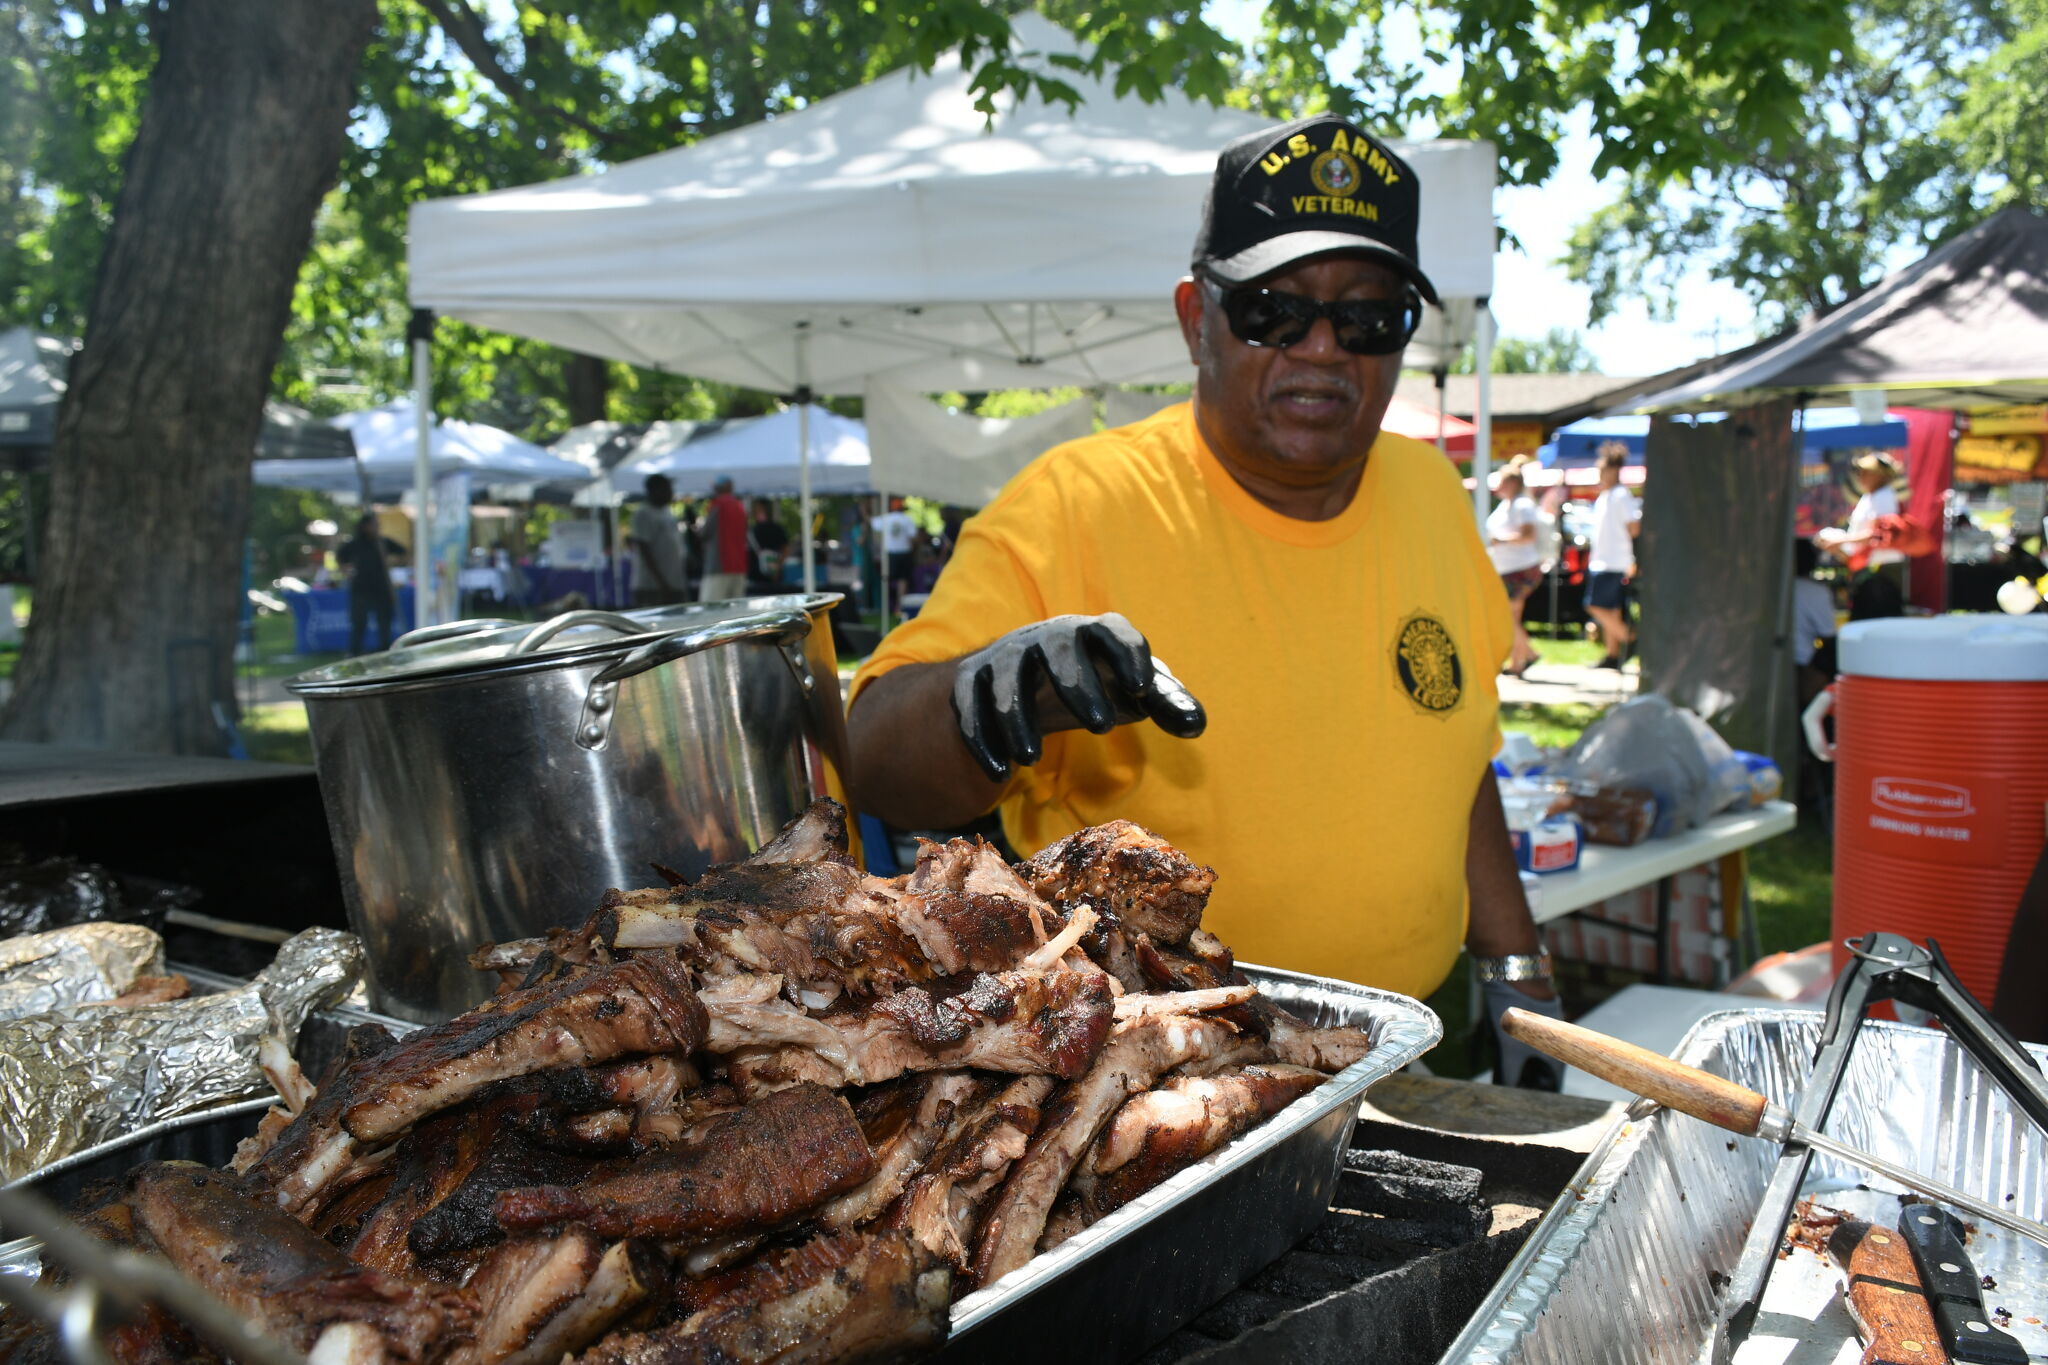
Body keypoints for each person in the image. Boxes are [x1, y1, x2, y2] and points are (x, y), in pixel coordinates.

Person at [847, 114, 1561, 1087]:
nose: (1320, 347)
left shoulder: (1432, 493)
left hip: (1405, 1046)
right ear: (1195, 317)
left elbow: (1457, 752)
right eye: (1274, 310)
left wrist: (1517, 975)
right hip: (1151, 1069)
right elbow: (872, 759)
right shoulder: (1075, 503)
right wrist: (979, 702)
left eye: (1367, 316)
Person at [1815, 452, 1906, 597]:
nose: (1860, 476)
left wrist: (1839, 540)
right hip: (1868, 567)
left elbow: (1878, 535)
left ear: (1879, 475)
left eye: (1865, 472)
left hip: (1881, 568)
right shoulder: (1871, 496)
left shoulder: (1884, 496)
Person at [1583, 444, 1641, 669]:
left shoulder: (1620, 495)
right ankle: (1613, 654)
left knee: (1594, 606)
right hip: (1602, 561)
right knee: (1611, 610)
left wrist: (1633, 560)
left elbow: (1633, 528)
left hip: (1614, 563)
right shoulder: (1606, 497)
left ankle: (1631, 639)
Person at [1486, 457, 1544, 677]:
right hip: (1508, 569)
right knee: (1512, 618)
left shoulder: (1522, 504)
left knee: (1507, 616)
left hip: (1520, 569)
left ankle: (1528, 654)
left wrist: (1501, 541)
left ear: (1511, 483)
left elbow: (1528, 535)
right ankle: (1517, 661)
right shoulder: (1508, 504)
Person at [336, 513, 405, 655]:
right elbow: (340, 556)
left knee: (384, 623)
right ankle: (355, 652)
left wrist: (394, 562)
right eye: (374, 524)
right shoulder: (355, 544)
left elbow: (402, 551)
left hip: (381, 588)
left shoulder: (382, 542)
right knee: (359, 623)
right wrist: (345, 570)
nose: (377, 527)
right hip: (361, 588)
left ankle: (385, 651)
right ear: (365, 526)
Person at [628, 474, 687, 608]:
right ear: (655, 490)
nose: (671, 492)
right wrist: (662, 583)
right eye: (667, 488)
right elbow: (644, 549)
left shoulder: (666, 511)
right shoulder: (643, 513)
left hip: (673, 583)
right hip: (652, 587)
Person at [698, 476, 750, 601]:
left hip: (719, 566)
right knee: (735, 610)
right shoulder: (739, 506)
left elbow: (704, 533)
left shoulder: (718, 504)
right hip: (739, 566)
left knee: (710, 609)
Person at [872, 497, 919, 612]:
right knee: (902, 580)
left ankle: (886, 605)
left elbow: (873, 523)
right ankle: (899, 606)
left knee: (887, 578)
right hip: (904, 552)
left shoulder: (886, 519)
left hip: (890, 552)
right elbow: (913, 536)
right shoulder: (907, 519)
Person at [746, 497, 789, 592]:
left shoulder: (776, 528)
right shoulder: (752, 530)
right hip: (755, 577)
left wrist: (777, 567)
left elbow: (786, 549)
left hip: (771, 578)